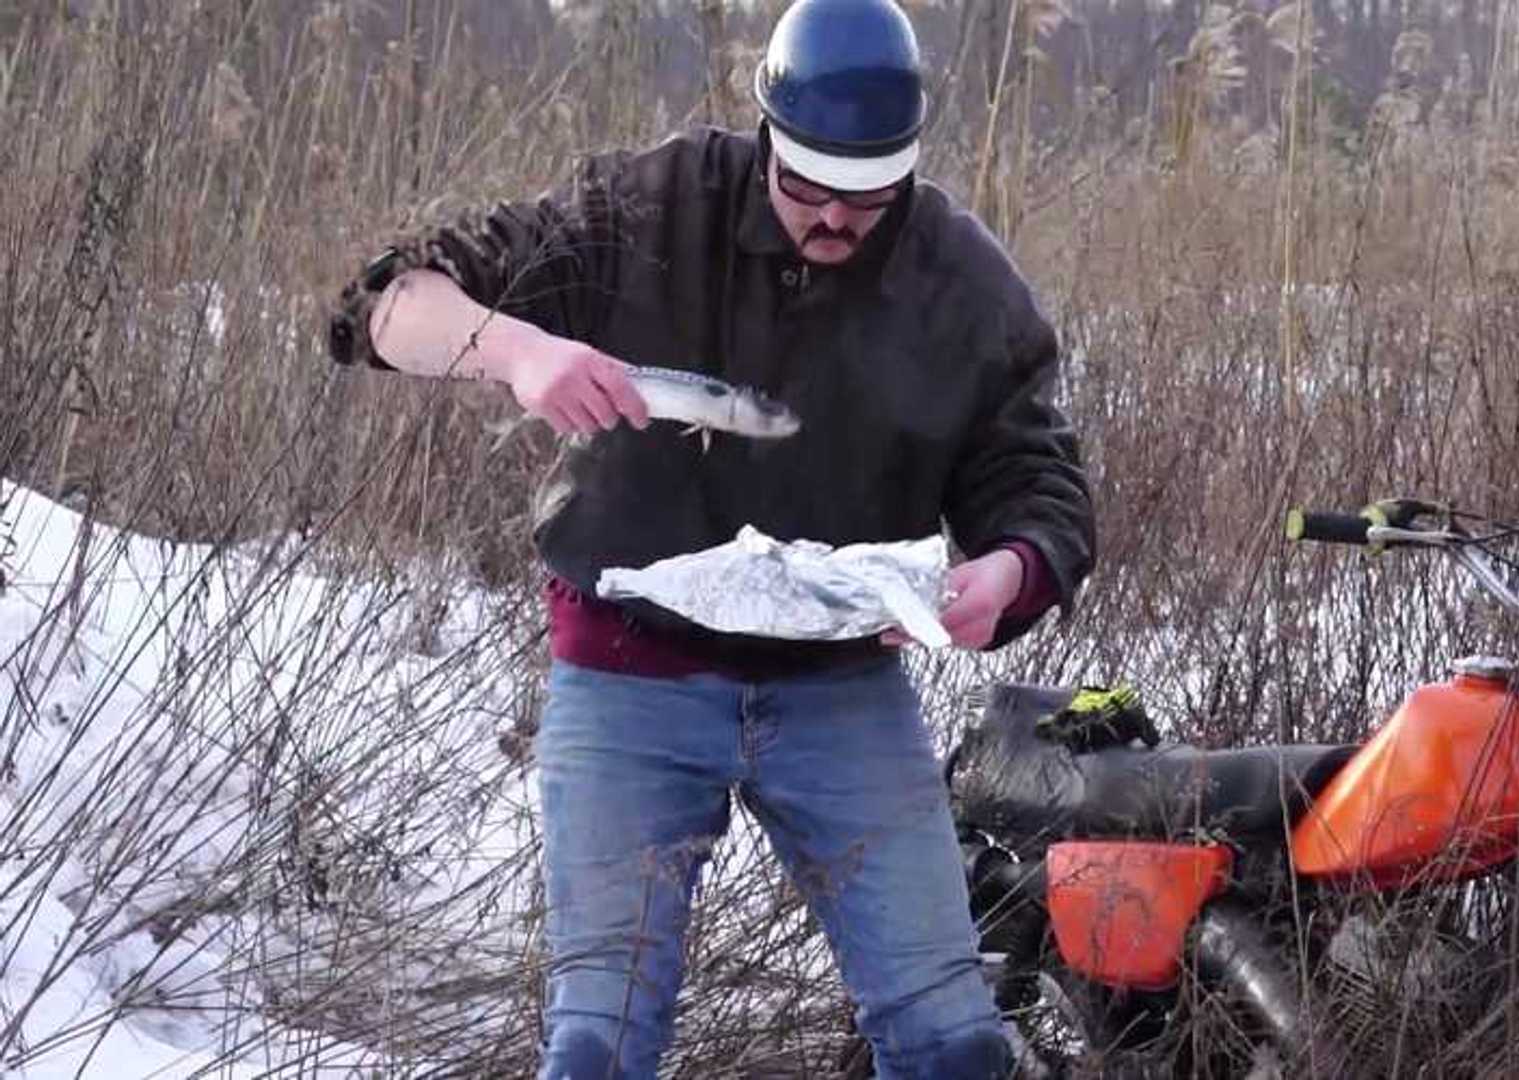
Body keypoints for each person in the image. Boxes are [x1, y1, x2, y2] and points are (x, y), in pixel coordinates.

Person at [322, 0, 1096, 1075]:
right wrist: (517, 351)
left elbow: (1040, 481)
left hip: (841, 688)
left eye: (863, 201)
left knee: (952, 1038)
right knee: (598, 1044)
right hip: (627, 673)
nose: (830, 220)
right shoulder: (649, 207)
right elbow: (383, 306)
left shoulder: (960, 280)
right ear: (766, 136)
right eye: (804, 190)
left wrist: (1009, 572)